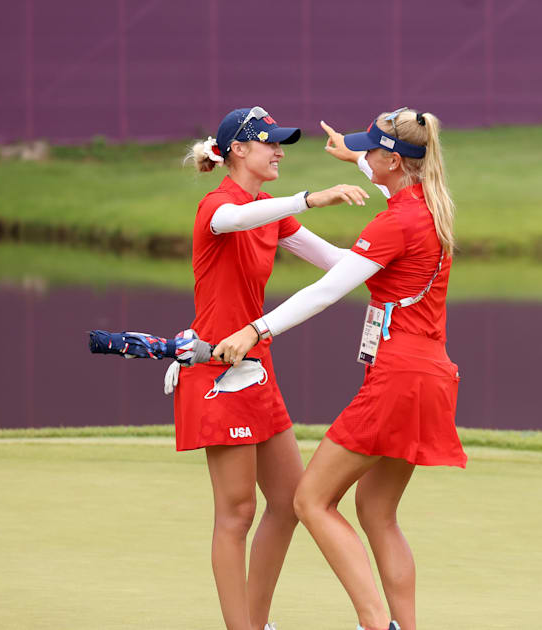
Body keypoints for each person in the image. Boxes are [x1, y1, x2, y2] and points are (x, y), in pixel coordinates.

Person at [213, 107, 464, 630]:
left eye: (370, 151)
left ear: (393, 160)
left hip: (397, 379)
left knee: (311, 500)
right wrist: (358, 160)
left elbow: (327, 290)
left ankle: (375, 624)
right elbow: (381, 194)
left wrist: (256, 330)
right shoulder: (427, 205)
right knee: (377, 510)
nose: (364, 155)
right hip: (433, 378)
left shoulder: (394, 223)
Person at [172, 106, 372, 630]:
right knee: (236, 512)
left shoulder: (269, 211)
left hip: (256, 363)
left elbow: (335, 262)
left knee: (289, 502)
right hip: (217, 371)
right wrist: (313, 197)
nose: (279, 151)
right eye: (270, 143)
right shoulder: (217, 206)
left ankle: (257, 623)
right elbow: (233, 220)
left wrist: (398, 260)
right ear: (239, 150)